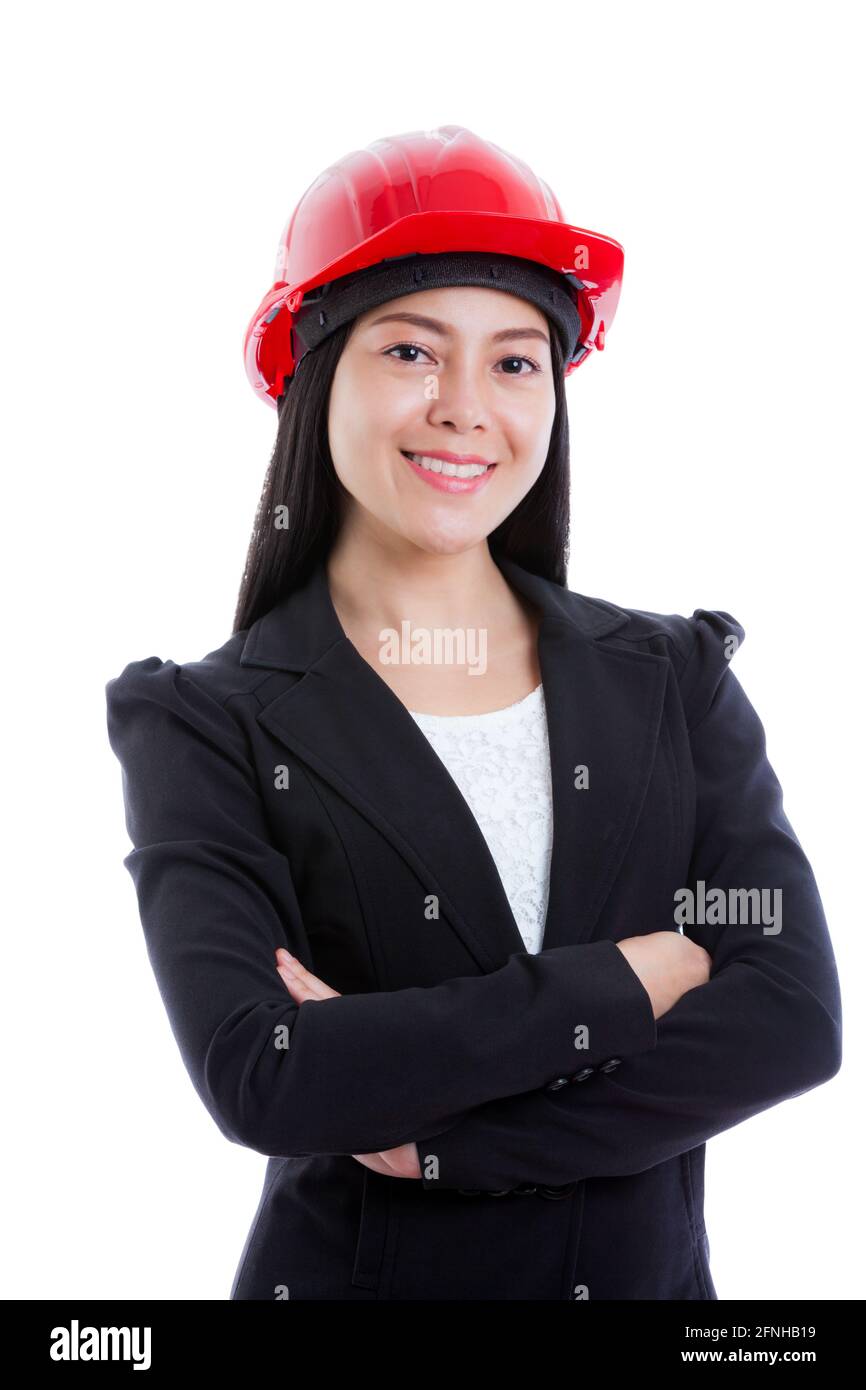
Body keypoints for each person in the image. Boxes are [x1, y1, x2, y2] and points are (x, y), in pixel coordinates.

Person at [105, 125, 842, 1301]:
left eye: (513, 362)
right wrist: (633, 978)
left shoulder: (671, 679)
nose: (464, 407)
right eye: (410, 349)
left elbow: (792, 1018)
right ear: (313, 371)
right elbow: (267, 1074)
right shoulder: (205, 720)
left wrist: (446, 1135)